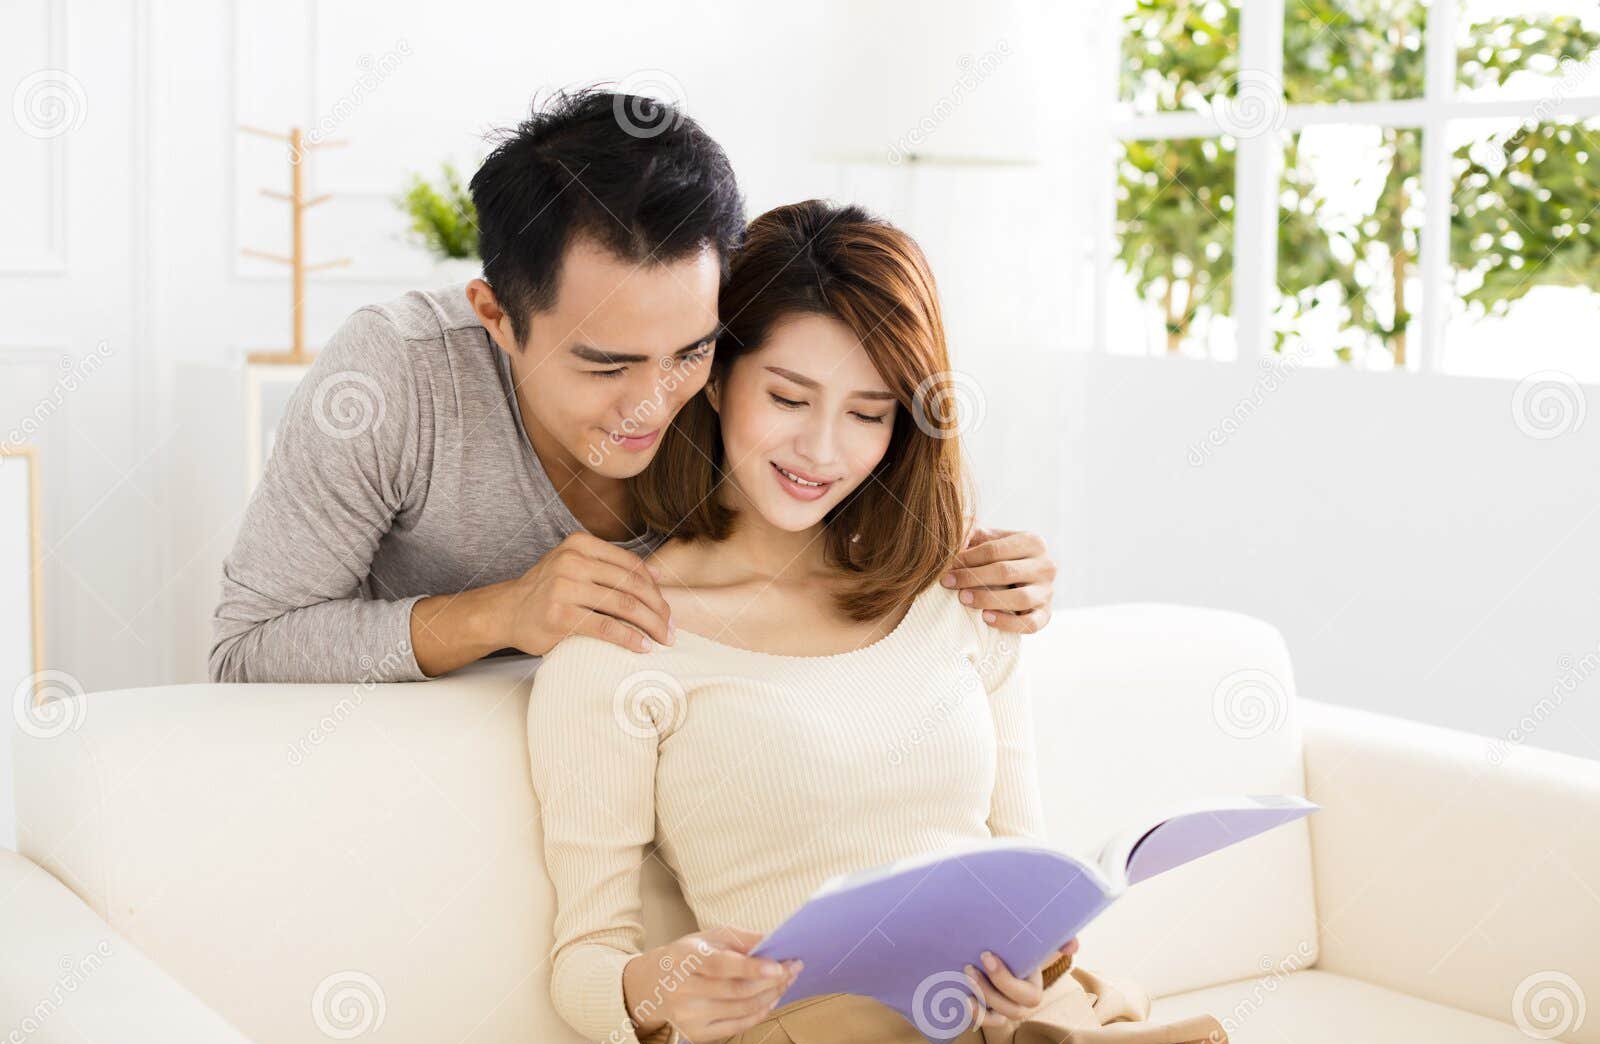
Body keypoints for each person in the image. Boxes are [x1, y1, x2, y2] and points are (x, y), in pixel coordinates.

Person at [527, 200, 1229, 1044]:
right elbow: (583, 961)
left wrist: (1040, 953)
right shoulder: (622, 641)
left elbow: (1020, 854)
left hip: (1030, 1025)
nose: (822, 449)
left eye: (869, 412)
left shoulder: (963, 598)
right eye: (789, 396)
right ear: (714, 377)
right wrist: (658, 986)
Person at [209, 89, 1056, 684]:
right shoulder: (397, 375)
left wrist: (983, 566)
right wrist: (502, 614)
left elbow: (838, 476)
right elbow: (248, 647)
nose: (654, 403)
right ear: (496, 315)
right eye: (605, 364)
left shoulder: (739, 386)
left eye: (691, 353)